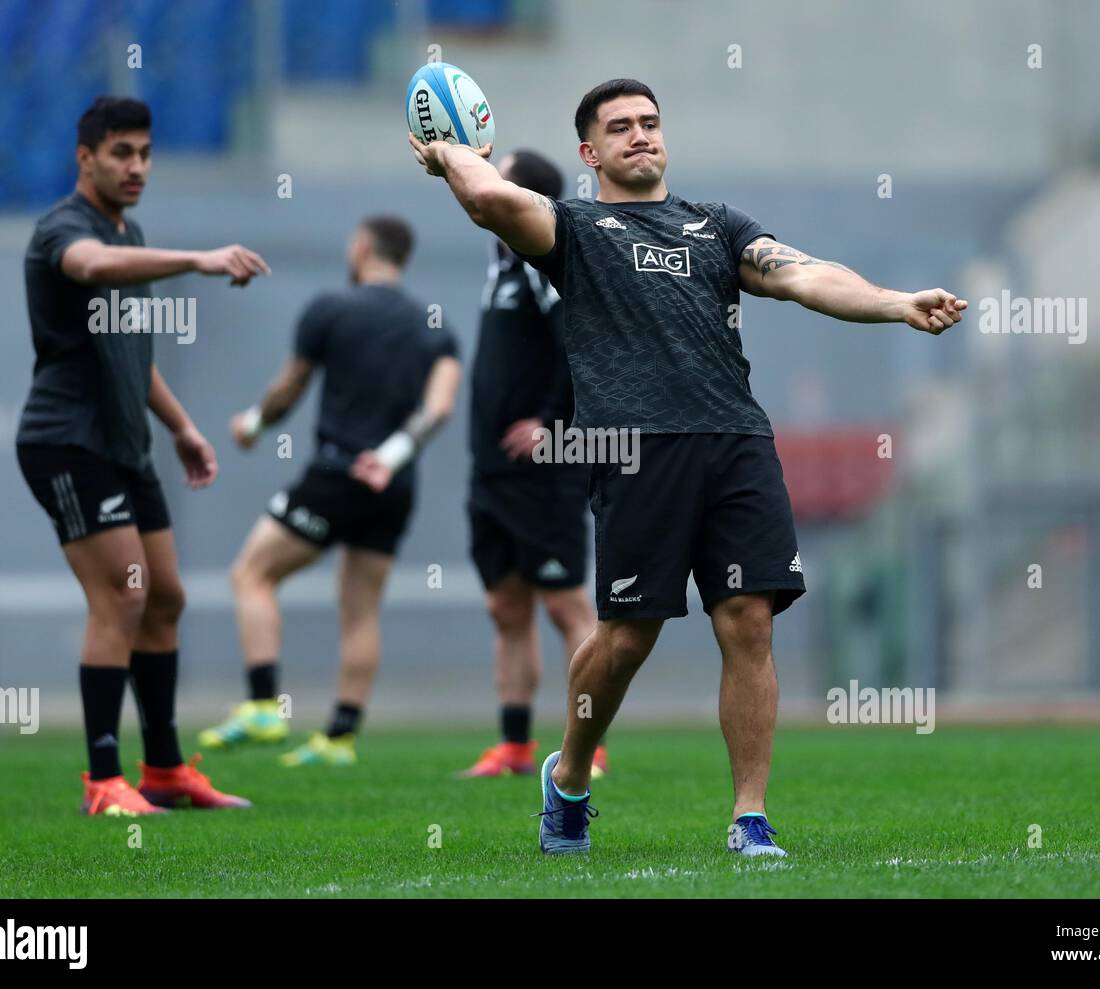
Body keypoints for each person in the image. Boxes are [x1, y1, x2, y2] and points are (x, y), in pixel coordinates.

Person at [407, 78, 966, 855]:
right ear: (589, 151)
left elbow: (801, 274)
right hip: (638, 452)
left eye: (650, 122)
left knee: (748, 622)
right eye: (620, 127)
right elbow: (492, 203)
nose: (640, 135)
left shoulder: (717, 225)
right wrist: (452, 155)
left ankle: (749, 816)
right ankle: (568, 777)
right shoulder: (576, 227)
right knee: (627, 639)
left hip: (735, 440)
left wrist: (895, 301)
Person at [17, 96, 268, 816]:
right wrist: (198, 258)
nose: (136, 166)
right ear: (85, 158)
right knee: (122, 597)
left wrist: (183, 426)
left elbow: (132, 352)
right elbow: (91, 267)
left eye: (145, 153)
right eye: (121, 152)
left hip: (125, 445)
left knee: (165, 598)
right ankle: (103, 780)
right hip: (64, 442)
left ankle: (162, 769)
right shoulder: (66, 229)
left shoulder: (133, 230)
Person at [199, 216, 461, 767]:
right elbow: (438, 408)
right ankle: (340, 737)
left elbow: (289, 388)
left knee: (251, 574)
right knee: (360, 610)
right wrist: (389, 458)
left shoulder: (331, 309)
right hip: (393, 484)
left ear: (362, 248)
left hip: (338, 475)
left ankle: (264, 705)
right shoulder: (433, 327)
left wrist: (251, 424)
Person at [457, 149, 601, 780]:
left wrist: (551, 423)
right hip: (490, 472)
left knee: (567, 606)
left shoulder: (546, 268)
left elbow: (584, 345)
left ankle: (587, 747)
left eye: (497, 174)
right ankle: (514, 747)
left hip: (544, 470)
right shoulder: (500, 265)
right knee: (506, 608)